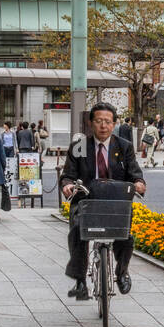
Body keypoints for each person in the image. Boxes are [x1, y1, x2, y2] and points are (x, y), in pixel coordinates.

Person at [60, 102, 145, 299]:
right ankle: (80, 280)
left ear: (114, 124)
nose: (103, 126)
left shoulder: (124, 147)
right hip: (86, 201)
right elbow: (68, 174)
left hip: (116, 202)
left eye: (107, 122)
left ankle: (122, 271)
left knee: (126, 235)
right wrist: (67, 185)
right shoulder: (80, 146)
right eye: (99, 121)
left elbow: (135, 174)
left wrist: (139, 183)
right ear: (91, 123)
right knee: (77, 230)